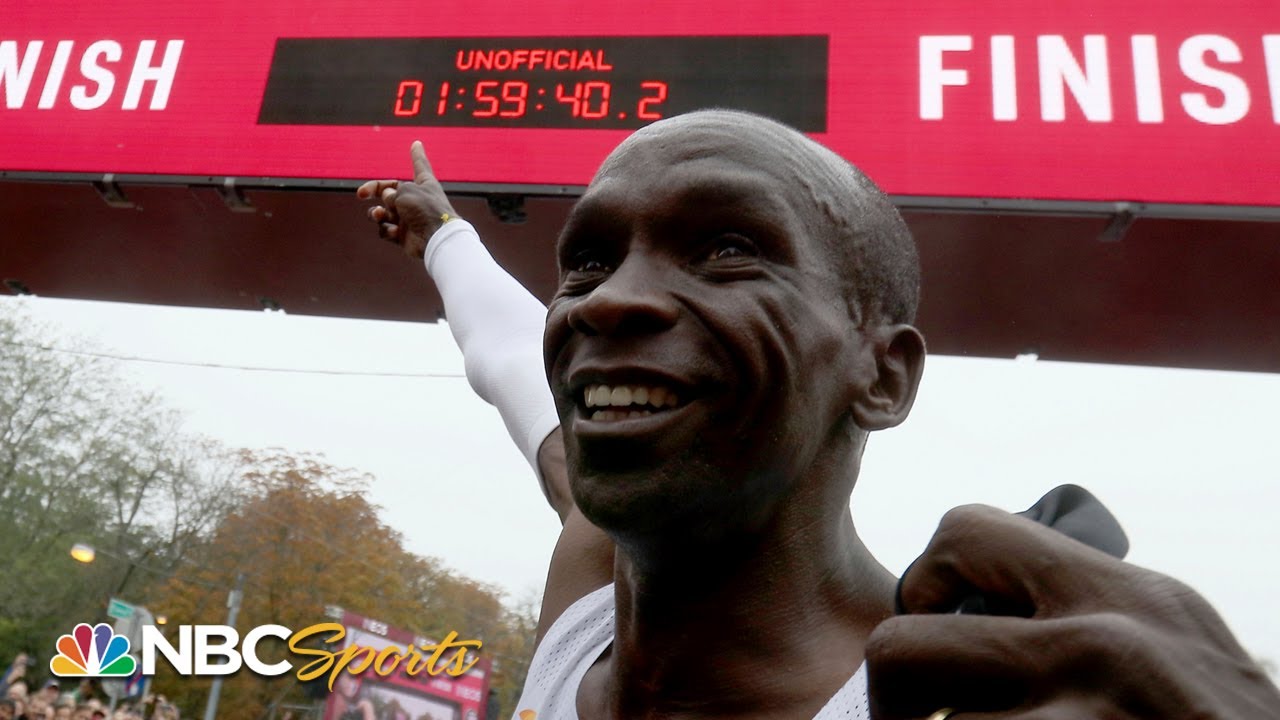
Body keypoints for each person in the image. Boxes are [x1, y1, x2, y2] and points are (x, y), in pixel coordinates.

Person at [360, 111, 1280, 719]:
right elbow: (515, 361)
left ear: (883, 375)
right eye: (590, 260)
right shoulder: (584, 612)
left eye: (726, 250)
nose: (605, 305)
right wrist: (445, 236)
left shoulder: (967, 697)